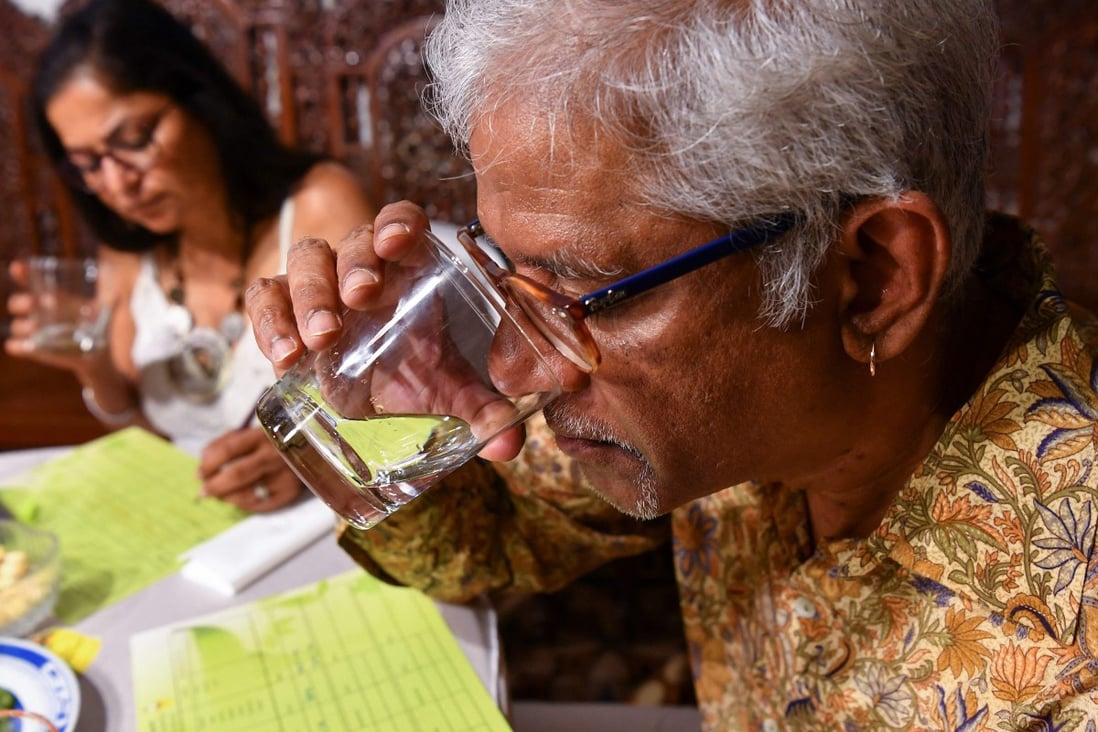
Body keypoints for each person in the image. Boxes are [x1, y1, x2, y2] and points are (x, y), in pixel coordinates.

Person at [245, 0, 1098, 727]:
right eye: (506, 272)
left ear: (874, 279)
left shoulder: (1070, 662)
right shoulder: (756, 404)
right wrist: (395, 407)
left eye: (588, 290)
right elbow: (488, 544)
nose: (517, 366)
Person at [4, 0, 374, 512]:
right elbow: (151, 433)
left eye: (133, 140)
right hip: (200, 518)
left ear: (201, 102)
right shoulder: (129, 250)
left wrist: (313, 456)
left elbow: (391, 388)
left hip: (328, 512)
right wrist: (93, 367)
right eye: (87, 164)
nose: (116, 185)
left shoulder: (318, 205)